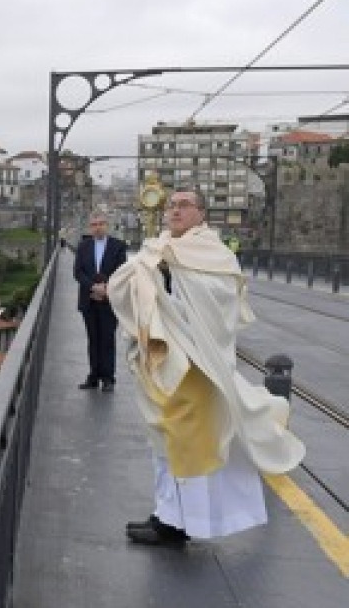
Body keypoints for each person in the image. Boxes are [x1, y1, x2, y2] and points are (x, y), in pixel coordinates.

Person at [107, 188, 304, 547]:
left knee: (189, 444)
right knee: (165, 443)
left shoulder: (215, 254)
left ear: (202, 213)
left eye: (184, 205)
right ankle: (166, 514)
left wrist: (166, 285)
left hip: (196, 366)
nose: (175, 210)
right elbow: (132, 284)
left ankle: (179, 522)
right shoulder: (159, 247)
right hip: (164, 361)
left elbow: (219, 306)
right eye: (171, 205)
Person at [73, 210, 128, 392]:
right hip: (88, 300)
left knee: (107, 339)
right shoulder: (83, 246)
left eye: (101, 224)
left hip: (109, 300)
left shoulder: (118, 246)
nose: (98, 228)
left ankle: (108, 378)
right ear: (90, 227)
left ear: (107, 225)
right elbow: (78, 272)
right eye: (94, 225)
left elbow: (121, 273)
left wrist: (106, 289)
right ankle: (93, 377)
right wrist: (93, 287)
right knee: (93, 339)